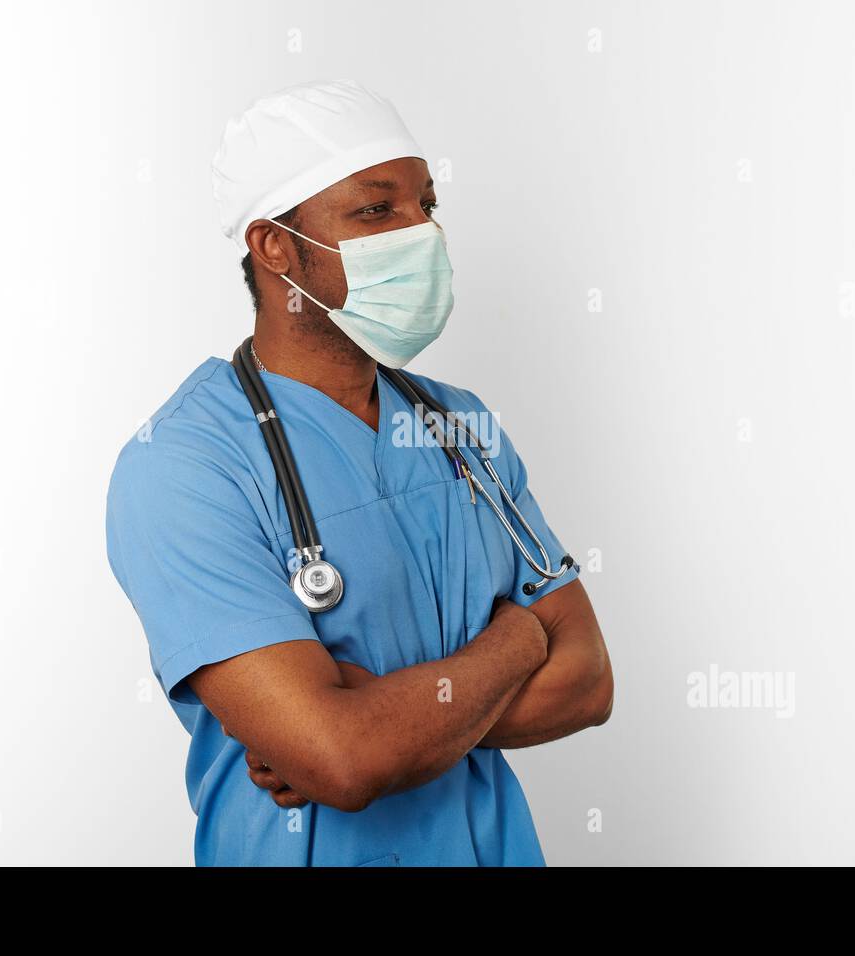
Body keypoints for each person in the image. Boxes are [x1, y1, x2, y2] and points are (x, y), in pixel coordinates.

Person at [105, 79, 613, 866]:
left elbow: (588, 683)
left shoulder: (460, 427)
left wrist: (376, 719)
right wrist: (519, 639)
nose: (422, 232)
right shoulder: (184, 464)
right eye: (377, 211)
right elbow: (342, 762)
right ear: (275, 247)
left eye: (426, 205)